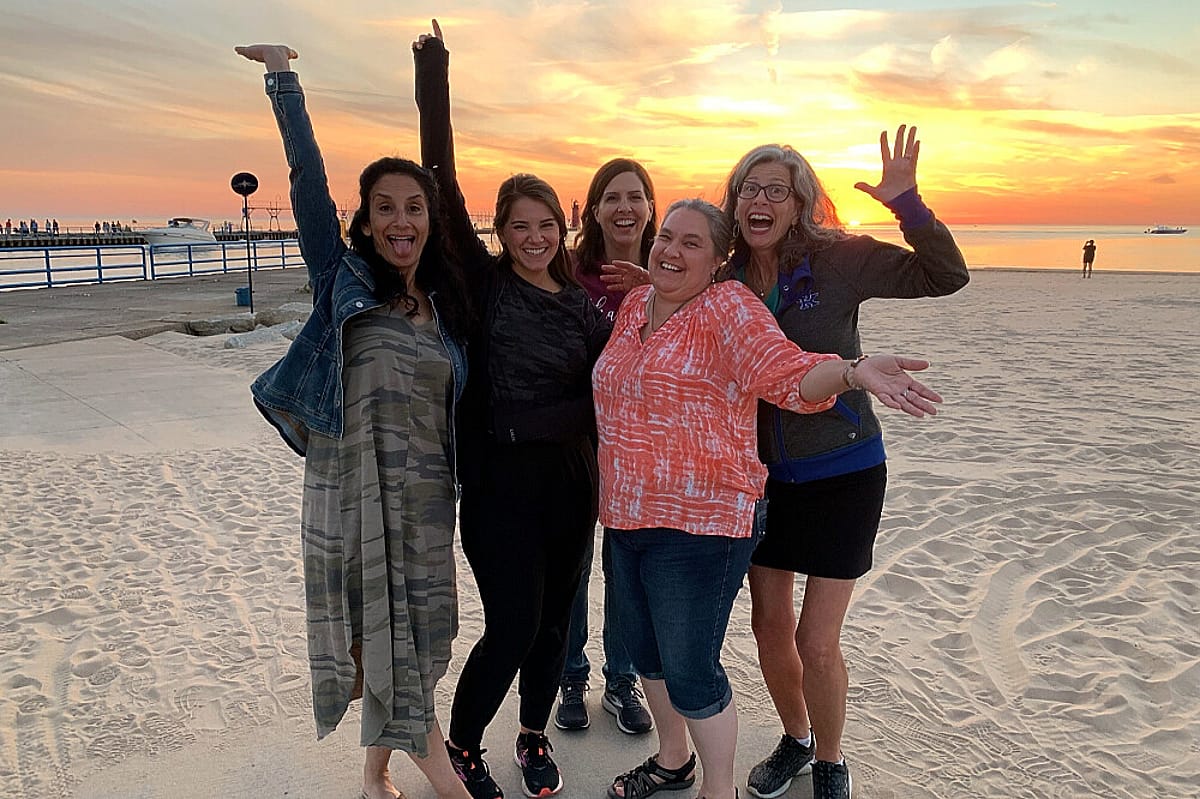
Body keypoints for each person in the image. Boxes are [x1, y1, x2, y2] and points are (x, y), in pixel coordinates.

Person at [595, 198, 942, 799]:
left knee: (691, 669)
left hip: (702, 525)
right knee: (643, 650)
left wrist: (854, 372)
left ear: (716, 260)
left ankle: (718, 789)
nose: (672, 251)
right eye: (667, 238)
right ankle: (674, 760)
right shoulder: (634, 306)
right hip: (626, 515)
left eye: (692, 243)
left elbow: (788, 373)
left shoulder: (729, 308)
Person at [235, 43, 473, 799]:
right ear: (365, 222)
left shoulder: (447, 308)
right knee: (390, 659)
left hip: (429, 503)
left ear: (430, 220)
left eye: (414, 208)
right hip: (350, 497)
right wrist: (284, 81)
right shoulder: (342, 281)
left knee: (415, 646)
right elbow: (309, 184)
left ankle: (374, 778)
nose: (401, 220)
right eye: (385, 208)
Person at [720, 129, 968, 799]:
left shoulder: (838, 260)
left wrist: (909, 205)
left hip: (844, 469)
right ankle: (796, 736)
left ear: (801, 203)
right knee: (769, 624)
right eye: (750, 187)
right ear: (735, 202)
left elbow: (945, 275)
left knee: (816, 639)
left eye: (779, 189)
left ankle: (831, 758)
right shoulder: (724, 275)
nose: (762, 199)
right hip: (762, 475)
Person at [415, 21, 610, 799]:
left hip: (572, 482)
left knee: (558, 623)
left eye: (545, 224)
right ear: (500, 229)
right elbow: (438, 180)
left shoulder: (585, 309)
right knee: (513, 623)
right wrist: (435, 75)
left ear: (563, 229)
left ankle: (530, 734)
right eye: (518, 224)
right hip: (498, 486)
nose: (533, 236)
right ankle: (463, 745)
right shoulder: (484, 284)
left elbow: (613, 389)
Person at [554, 157, 658, 736]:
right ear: (593, 209)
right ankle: (572, 675)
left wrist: (655, 287)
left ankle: (622, 680)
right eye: (612, 197)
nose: (624, 208)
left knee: (627, 571)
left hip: (644, 447)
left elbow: (707, 332)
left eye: (635, 197)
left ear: (650, 207)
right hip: (576, 439)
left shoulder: (676, 269)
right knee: (573, 566)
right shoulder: (572, 270)